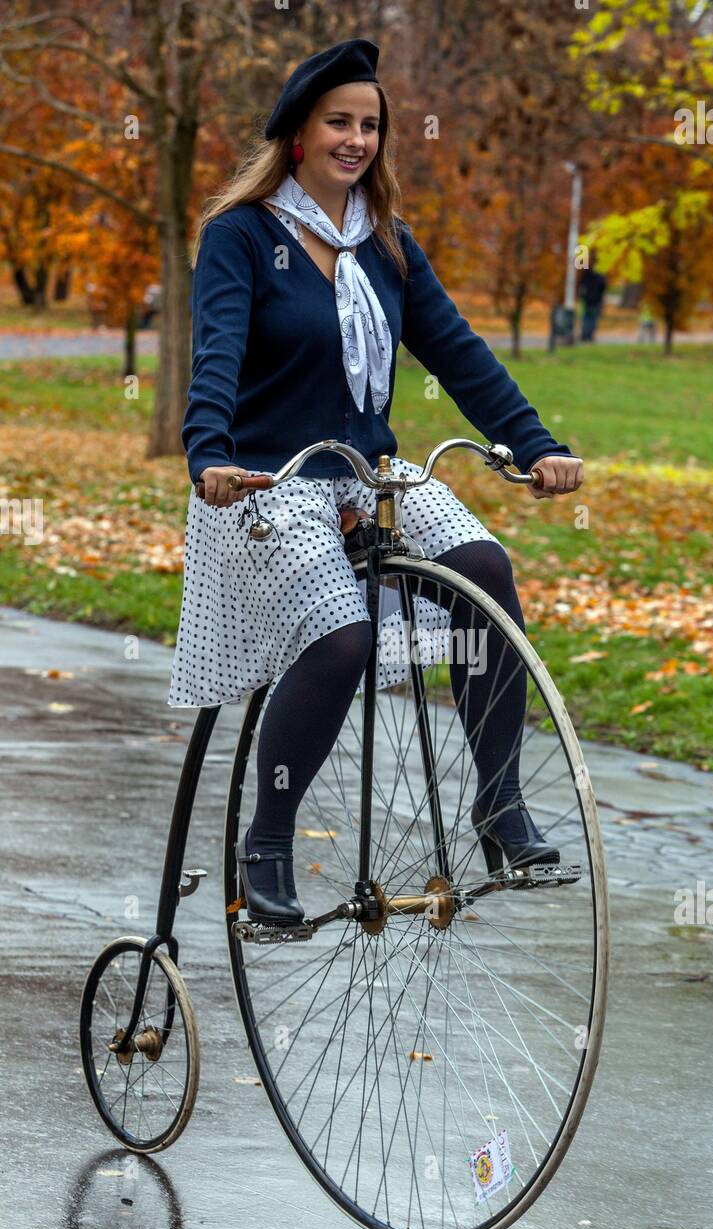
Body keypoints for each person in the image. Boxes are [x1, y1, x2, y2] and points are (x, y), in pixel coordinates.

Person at [168, 37, 585, 924]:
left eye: (370, 126)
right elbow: (216, 359)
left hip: (368, 472)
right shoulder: (242, 236)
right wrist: (207, 454)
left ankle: (500, 806)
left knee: (486, 570)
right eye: (339, 123)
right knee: (341, 636)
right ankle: (268, 843)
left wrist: (530, 443)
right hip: (266, 480)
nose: (356, 140)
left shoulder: (387, 243)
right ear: (298, 135)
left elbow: (461, 354)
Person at [578, 253, 607, 342]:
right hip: (594, 299)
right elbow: (603, 287)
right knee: (591, 318)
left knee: (587, 317)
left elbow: (582, 284)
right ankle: (588, 335)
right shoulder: (599, 275)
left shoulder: (587, 273)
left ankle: (586, 334)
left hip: (589, 299)